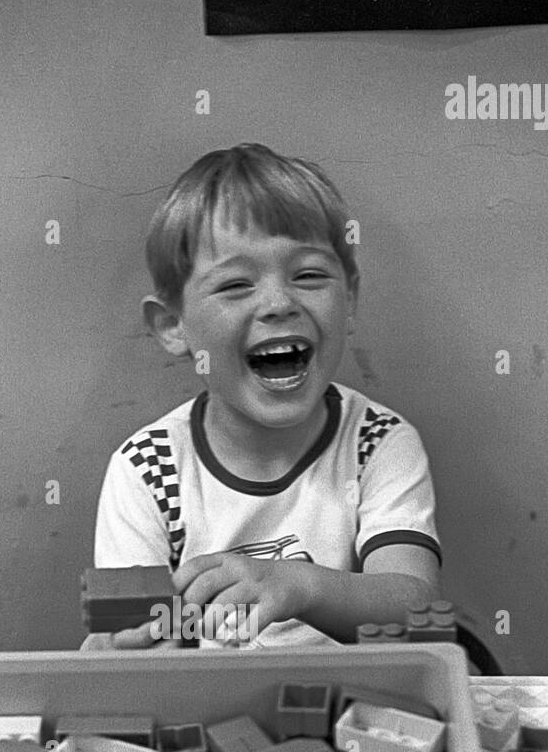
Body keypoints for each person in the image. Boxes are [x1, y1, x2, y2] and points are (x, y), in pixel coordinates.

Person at [92, 143, 441, 649]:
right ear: (173, 326)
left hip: (353, 713)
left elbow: (420, 609)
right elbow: (138, 640)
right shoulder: (148, 468)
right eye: (235, 285)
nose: (279, 303)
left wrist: (302, 587)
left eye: (309, 276)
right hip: (205, 710)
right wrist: (122, 646)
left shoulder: (379, 443)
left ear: (350, 302)